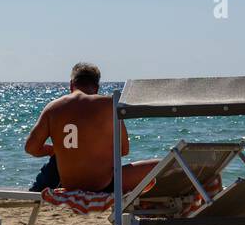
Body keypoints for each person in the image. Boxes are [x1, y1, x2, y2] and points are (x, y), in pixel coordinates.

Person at [23, 62, 159, 194]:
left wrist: (54, 150)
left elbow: (31, 148)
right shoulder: (108, 105)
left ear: (71, 85)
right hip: (103, 185)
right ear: (97, 87)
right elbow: (123, 150)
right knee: (161, 165)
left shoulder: (53, 108)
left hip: (69, 185)